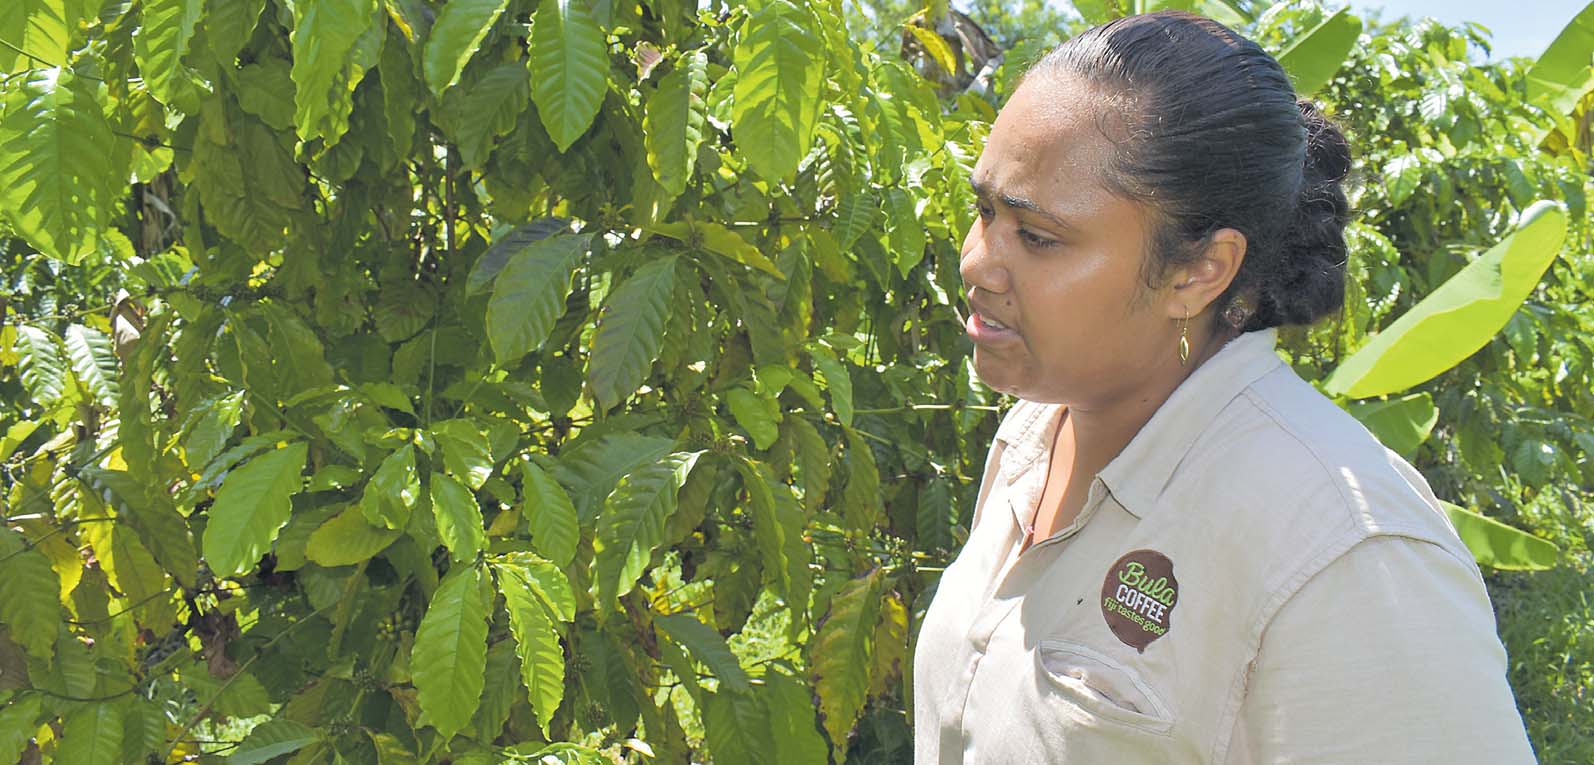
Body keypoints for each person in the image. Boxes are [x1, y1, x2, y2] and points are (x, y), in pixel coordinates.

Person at [912, 11, 1537, 764]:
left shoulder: (1343, 552)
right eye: (984, 211)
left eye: (1037, 236)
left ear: (1200, 270)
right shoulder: (1032, 437)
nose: (977, 262)